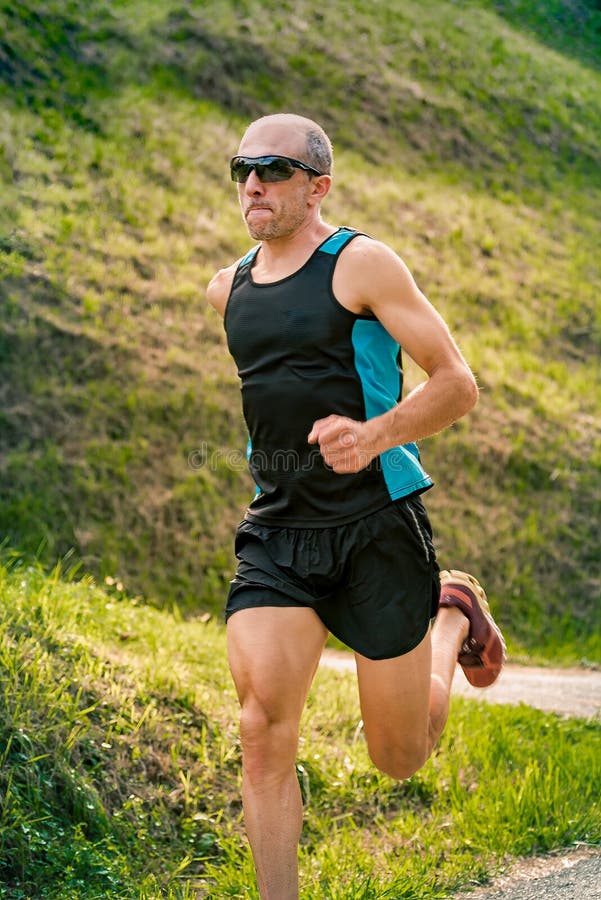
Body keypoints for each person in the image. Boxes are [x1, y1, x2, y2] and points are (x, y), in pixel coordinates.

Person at [206, 113, 506, 900]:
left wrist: (376, 435)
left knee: (398, 755)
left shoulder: (361, 265)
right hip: (278, 530)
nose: (253, 183)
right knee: (260, 729)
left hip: (376, 528)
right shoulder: (227, 289)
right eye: (242, 168)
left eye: (273, 168)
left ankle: (449, 615)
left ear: (318, 187)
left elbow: (456, 383)